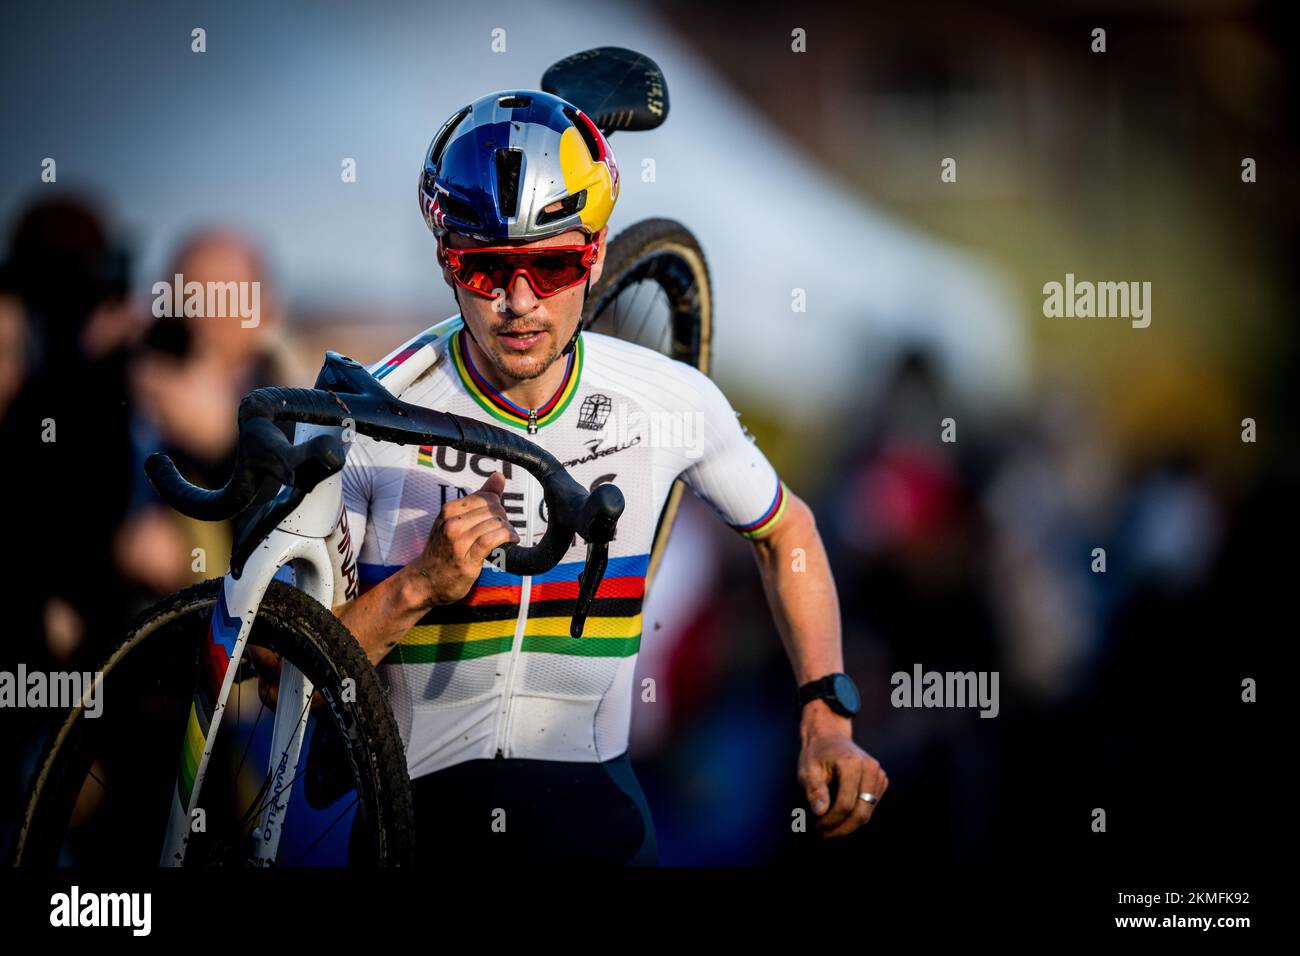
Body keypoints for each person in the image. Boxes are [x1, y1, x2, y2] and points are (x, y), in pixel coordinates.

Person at [269, 89, 888, 864]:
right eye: (487, 269)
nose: (519, 302)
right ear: (446, 261)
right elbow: (275, 679)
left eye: (553, 264)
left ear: (593, 254)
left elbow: (785, 529)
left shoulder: (668, 399)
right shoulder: (372, 413)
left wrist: (825, 713)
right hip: (419, 828)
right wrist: (417, 587)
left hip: (597, 817)